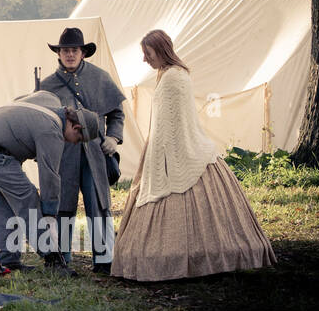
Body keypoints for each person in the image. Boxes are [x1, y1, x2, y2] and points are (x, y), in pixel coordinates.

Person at [112, 29, 276, 281]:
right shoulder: (171, 74)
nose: (145, 59)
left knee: (179, 195)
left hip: (179, 147)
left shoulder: (173, 78)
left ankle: (189, 259)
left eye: (148, 53)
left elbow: (175, 122)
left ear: (161, 50)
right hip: (167, 145)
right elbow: (164, 121)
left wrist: (164, 154)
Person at [0, 91, 100, 274]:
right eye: (78, 139)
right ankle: (52, 259)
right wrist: (49, 213)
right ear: (76, 127)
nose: (74, 143)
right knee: (28, 198)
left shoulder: (49, 106)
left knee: (6, 205)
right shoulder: (52, 130)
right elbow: (50, 176)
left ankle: (8, 259)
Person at [39, 27, 126, 274]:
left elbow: (117, 113)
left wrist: (113, 137)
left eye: (74, 50)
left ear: (82, 52)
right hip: (63, 154)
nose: (69, 54)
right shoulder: (47, 85)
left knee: (98, 202)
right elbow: (40, 119)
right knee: (62, 204)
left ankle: (104, 257)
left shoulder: (100, 77)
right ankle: (62, 257)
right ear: (58, 53)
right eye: (65, 50)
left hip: (95, 153)